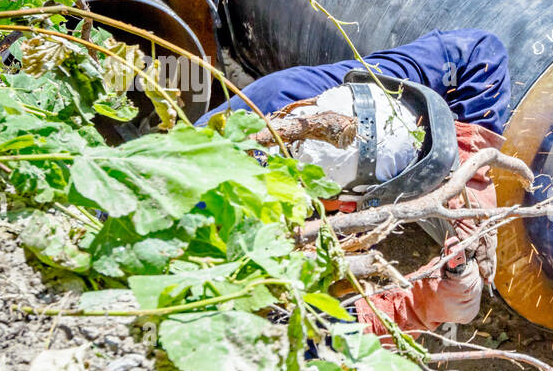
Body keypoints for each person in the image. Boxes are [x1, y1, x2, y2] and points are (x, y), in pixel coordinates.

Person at [205, 29, 511, 336]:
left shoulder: (334, 97)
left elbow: (479, 50)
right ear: (348, 206)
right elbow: (289, 337)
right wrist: (415, 307)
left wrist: (469, 182)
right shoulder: (238, 237)